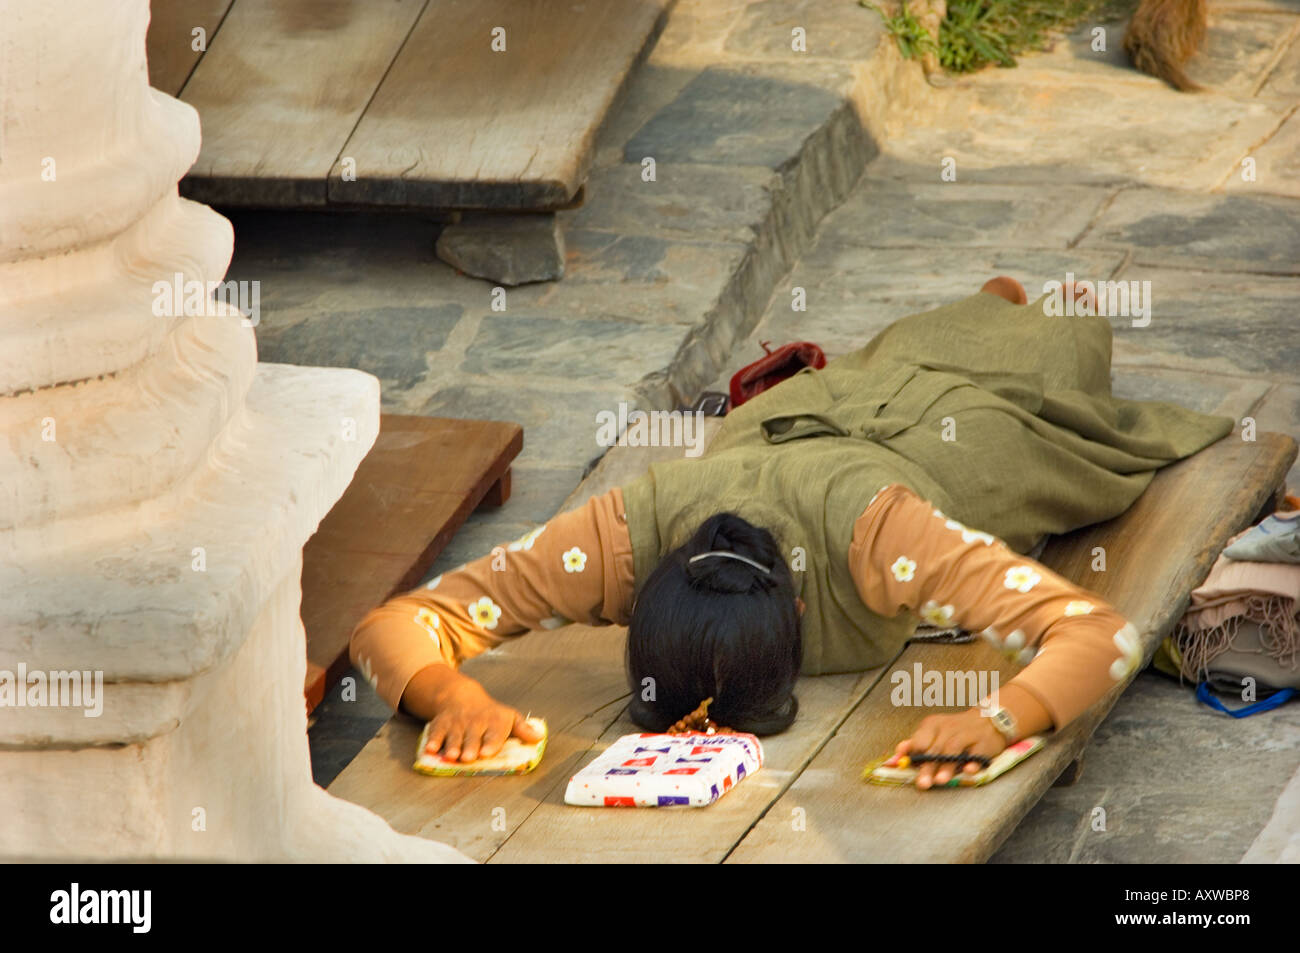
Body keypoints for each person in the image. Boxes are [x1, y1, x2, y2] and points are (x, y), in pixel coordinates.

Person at [350, 277, 1233, 790]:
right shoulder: (618, 542)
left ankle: (1031, 308)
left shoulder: (883, 539)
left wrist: (1002, 715)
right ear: (631, 599)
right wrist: (449, 693)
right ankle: (991, 302)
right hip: (813, 413)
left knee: (1063, 348)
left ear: (804, 608)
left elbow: (1097, 631)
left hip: (957, 428)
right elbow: (389, 626)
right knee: (907, 346)